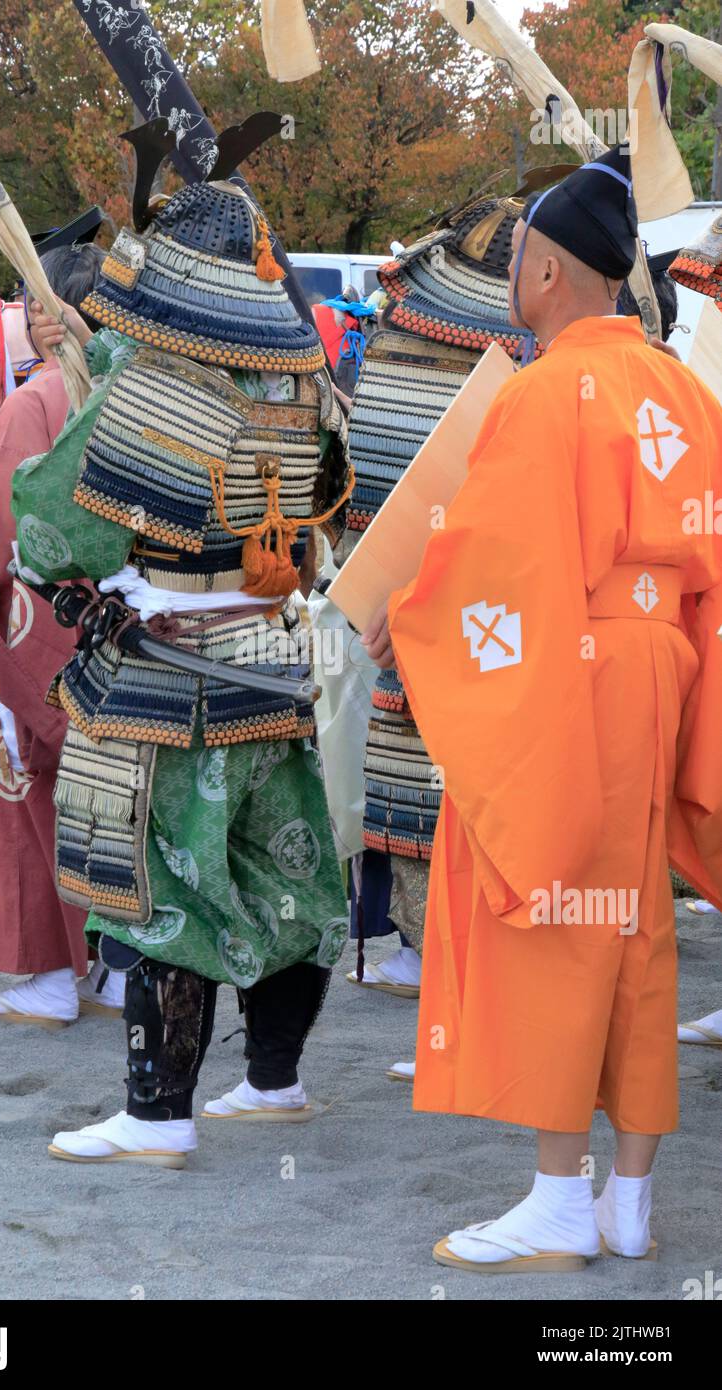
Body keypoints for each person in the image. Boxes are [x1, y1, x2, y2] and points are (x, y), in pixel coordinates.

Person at [363, 148, 722, 1271]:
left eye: (519, 256)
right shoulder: (677, 384)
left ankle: (558, 1194)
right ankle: (626, 1198)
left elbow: (495, 562)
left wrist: (405, 613)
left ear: (547, 275)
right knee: (636, 923)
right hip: (664, 657)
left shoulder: (538, 389)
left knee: (566, 907)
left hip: (583, 661)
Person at [16, 150, 353, 1166]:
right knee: (284, 870)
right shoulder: (304, 385)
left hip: (172, 669)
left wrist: (53, 480)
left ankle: (157, 1115)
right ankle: (274, 1079)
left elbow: (58, 532)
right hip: (275, 654)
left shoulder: (152, 388)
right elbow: (333, 500)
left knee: (162, 888)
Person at [342, 193, 534, 1019]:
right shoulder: (526, 371)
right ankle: (434, 950)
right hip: (446, 604)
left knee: (450, 770)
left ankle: (454, 960)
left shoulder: (508, 378)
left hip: (453, 602)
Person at [0, 243, 127, 1026]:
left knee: (25, 791)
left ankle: (48, 976)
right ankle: (120, 972)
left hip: (45, 635)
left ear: (48, 316)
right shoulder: (139, 396)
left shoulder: (33, 405)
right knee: (126, 808)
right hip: (134, 635)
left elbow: (3, 533)